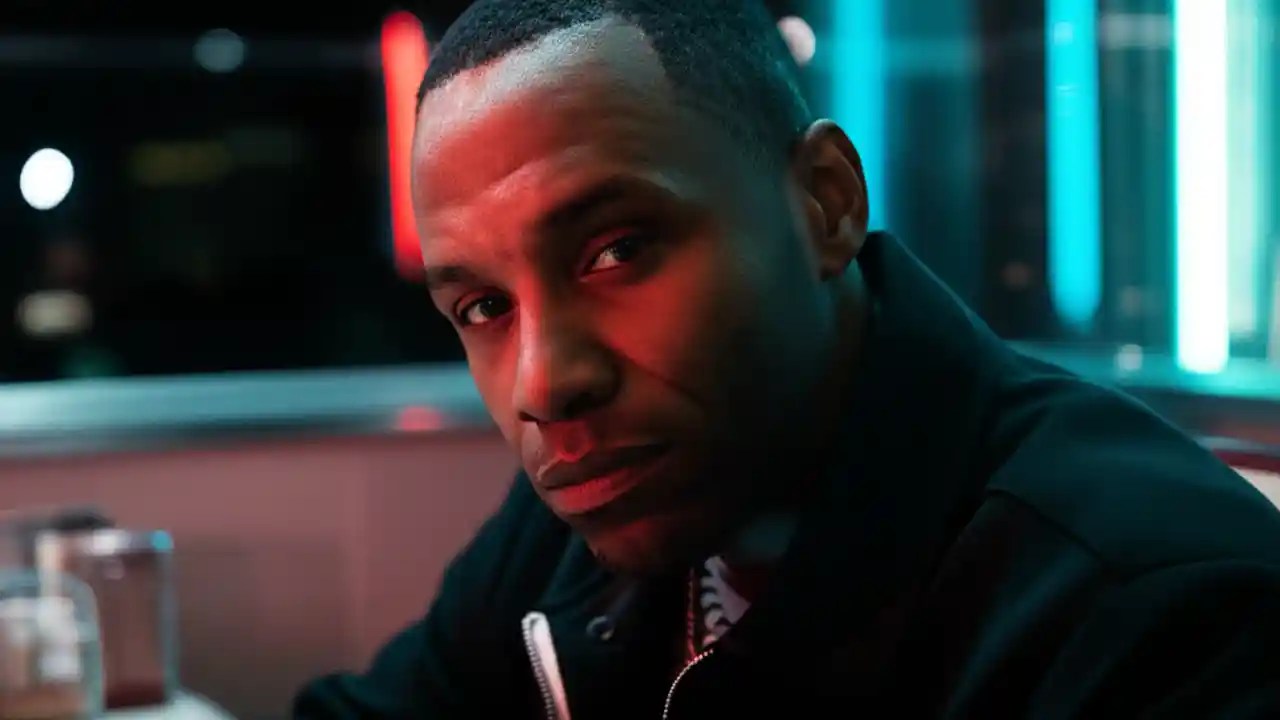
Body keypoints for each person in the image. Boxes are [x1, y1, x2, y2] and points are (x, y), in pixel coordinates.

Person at [294, 0, 1280, 716]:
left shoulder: (1154, 613)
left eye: (615, 251)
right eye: (481, 306)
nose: (543, 383)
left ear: (825, 204)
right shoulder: (595, 500)